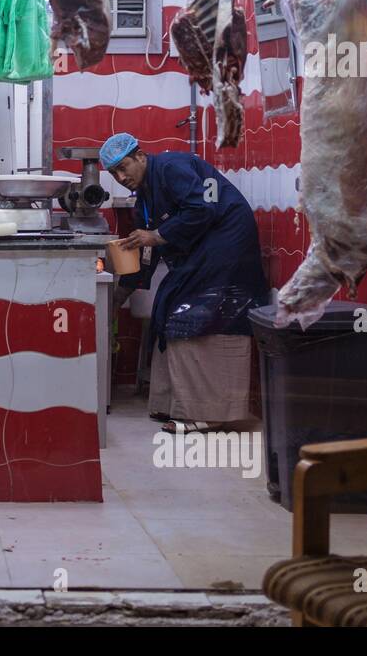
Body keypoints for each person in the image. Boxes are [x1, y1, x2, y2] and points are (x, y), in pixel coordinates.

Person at [100, 132, 268, 433]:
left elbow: (203, 207)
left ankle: (210, 412)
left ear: (141, 156)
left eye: (124, 167)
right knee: (167, 305)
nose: (121, 177)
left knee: (190, 313)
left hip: (227, 247)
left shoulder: (171, 167)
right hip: (203, 252)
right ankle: (175, 404)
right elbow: (147, 255)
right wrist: (115, 299)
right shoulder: (144, 202)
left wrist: (158, 235)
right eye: (114, 173)